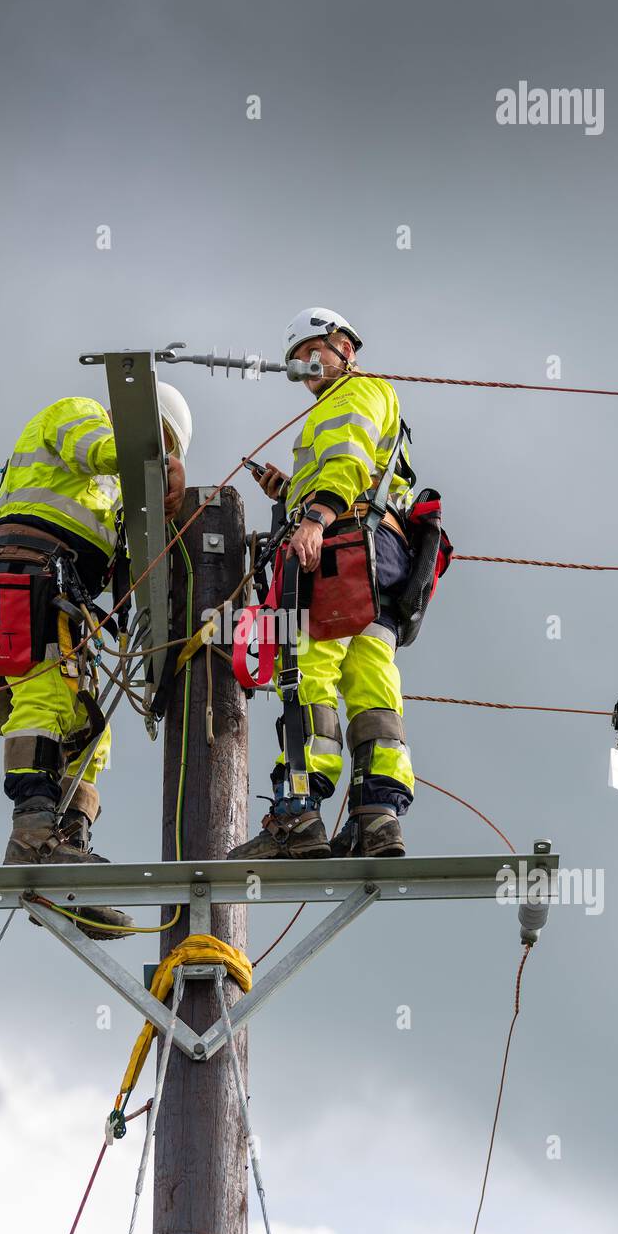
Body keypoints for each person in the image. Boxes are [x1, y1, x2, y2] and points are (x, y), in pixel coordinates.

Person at [0, 384, 189, 934]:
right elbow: (101, 449)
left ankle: (67, 846)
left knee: (89, 729)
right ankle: (33, 836)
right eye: (157, 438)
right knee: (46, 696)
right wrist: (160, 461)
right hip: (26, 575)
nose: (157, 453)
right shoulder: (78, 415)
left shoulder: (112, 494)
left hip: (59, 593)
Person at [229, 307, 414, 860]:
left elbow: (346, 458)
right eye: (297, 365)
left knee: (307, 670)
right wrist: (290, 494)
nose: (306, 371)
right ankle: (376, 820)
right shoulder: (368, 400)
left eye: (312, 355)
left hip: (340, 550)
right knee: (372, 684)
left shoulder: (351, 398)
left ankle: (297, 816)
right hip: (377, 555)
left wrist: (315, 518)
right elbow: (352, 472)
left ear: (344, 347)